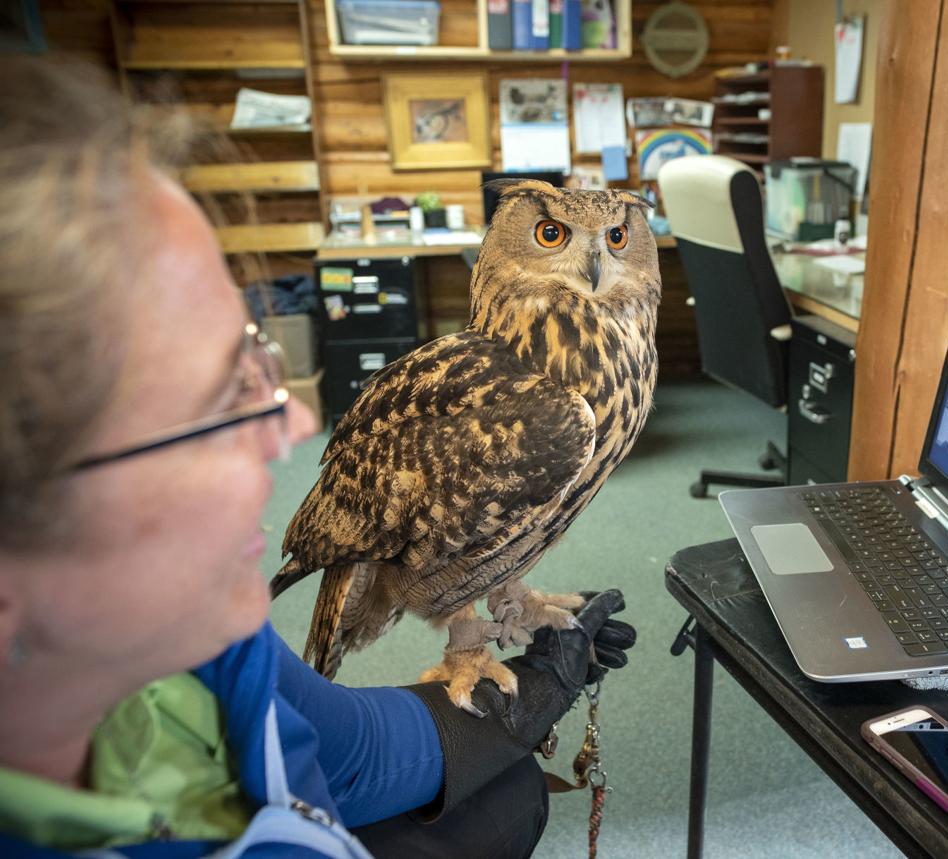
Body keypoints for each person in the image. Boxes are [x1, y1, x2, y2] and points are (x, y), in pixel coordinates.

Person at [0, 59, 636, 858]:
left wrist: (539, 688)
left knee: (508, 788)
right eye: (208, 408)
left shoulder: (197, 633)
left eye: (256, 363)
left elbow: (341, 746)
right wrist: (468, 630)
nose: (295, 422)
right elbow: (421, 549)